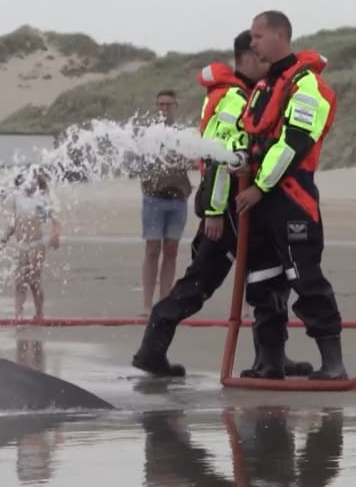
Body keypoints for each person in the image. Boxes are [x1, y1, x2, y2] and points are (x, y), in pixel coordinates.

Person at [132, 30, 312, 378]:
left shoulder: (246, 93)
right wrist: (214, 212)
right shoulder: (233, 98)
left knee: (269, 279)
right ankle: (151, 350)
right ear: (246, 59)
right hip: (227, 211)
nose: (267, 66)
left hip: (245, 208)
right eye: (261, 60)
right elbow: (218, 157)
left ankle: (272, 356)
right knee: (199, 283)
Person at [230, 10, 346, 380]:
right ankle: (270, 361)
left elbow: (294, 141)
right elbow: (256, 137)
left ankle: (333, 364)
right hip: (262, 200)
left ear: (280, 36)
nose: (253, 43)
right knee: (262, 281)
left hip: (291, 198)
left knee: (304, 277)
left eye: (258, 36)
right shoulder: (265, 86)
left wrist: (260, 187)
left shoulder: (306, 85)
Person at [138, 90, 194, 314]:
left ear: (175, 106)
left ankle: (165, 300)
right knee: (152, 249)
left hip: (178, 198)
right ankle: (146, 302)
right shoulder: (149, 134)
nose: (164, 109)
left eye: (168, 105)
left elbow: (193, 158)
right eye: (160, 105)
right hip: (153, 198)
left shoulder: (183, 134)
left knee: (171, 250)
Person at [1, 169, 60, 320]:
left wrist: (55, 234)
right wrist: (4, 238)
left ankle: (39, 313)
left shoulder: (41, 199)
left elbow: (55, 218)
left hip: (36, 244)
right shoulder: (17, 198)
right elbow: (13, 223)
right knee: (20, 281)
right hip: (21, 244)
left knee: (34, 280)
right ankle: (18, 314)